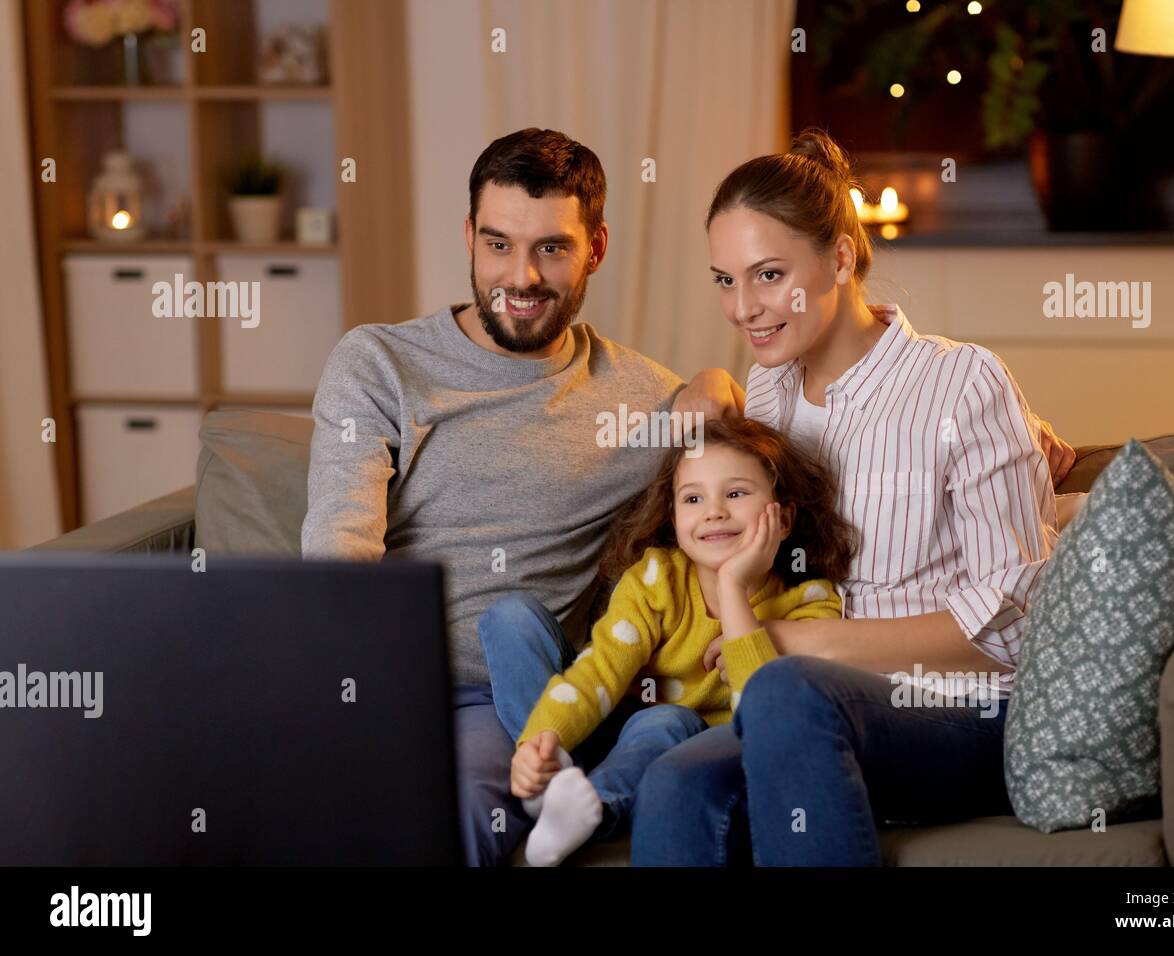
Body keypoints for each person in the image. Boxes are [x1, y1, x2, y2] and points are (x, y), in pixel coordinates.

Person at [301, 128, 740, 866]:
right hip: (387, 677)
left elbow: (730, 489)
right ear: (469, 237)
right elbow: (341, 541)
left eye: (552, 249)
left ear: (595, 248)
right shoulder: (378, 362)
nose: (522, 276)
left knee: (457, 815)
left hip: (513, 695)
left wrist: (717, 389)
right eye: (499, 244)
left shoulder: (643, 400)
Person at [631, 129, 1069, 866]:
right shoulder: (768, 390)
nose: (742, 307)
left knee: (788, 693)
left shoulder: (962, 382)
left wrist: (799, 646)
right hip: (799, 712)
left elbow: (1017, 623)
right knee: (673, 787)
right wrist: (708, 383)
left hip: (963, 715)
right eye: (724, 279)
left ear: (839, 257)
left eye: (768, 275)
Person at [477, 417, 854, 865]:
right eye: (693, 498)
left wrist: (734, 588)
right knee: (509, 616)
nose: (714, 511)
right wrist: (538, 740)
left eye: (735, 494)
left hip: (675, 744)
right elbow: (600, 670)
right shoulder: (659, 576)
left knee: (665, 719)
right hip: (605, 724)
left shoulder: (809, 601)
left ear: (784, 517)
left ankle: (593, 807)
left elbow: (764, 713)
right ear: (673, 518)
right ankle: (548, 777)